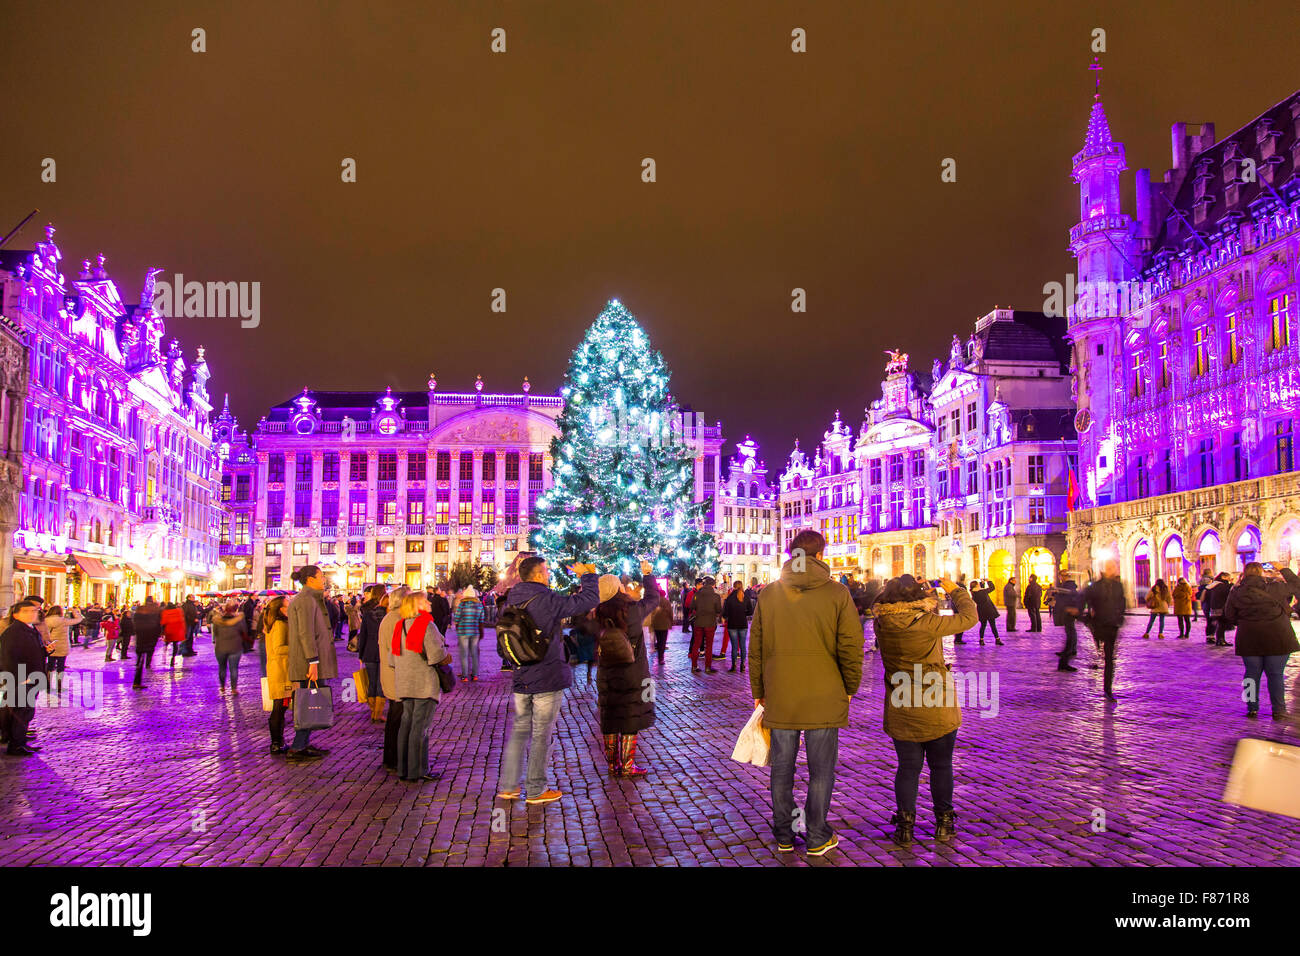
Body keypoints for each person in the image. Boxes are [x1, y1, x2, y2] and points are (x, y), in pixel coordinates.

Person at [750, 530, 863, 856]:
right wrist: (850, 687)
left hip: (781, 693)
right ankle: (816, 835)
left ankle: (784, 834)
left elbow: (755, 646)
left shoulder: (770, 594)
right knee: (821, 769)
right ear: (820, 554)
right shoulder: (837, 593)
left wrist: (758, 690)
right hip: (824, 693)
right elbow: (851, 647)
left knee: (782, 767)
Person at [873, 574, 977, 845]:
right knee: (941, 765)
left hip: (902, 699)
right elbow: (969, 617)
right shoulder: (927, 622)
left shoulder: (882, 624)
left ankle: (905, 826)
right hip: (935, 701)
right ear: (918, 597)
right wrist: (954, 589)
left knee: (908, 767)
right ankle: (944, 822)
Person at [496, 558, 599, 805]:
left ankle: (509, 786)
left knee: (520, 731)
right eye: (547, 570)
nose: (549, 574)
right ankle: (536, 788)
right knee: (542, 734)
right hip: (546, 673)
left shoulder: (512, 599)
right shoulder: (547, 599)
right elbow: (587, 601)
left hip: (522, 675)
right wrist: (587, 576)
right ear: (539, 574)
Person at [595, 568, 656, 777]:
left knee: (610, 715)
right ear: (616, 589)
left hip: (606, 672)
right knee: (631, 715)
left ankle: (613, 764)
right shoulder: (632, 610)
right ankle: (628, 764)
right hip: (633, 672)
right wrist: (648, 574)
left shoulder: (598, 613)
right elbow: (653, 598)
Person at [1224, 563, 1300, 720]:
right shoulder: (1275, 587)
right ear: (1262, 573)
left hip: (1249, 637)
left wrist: (1246, 622)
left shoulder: (1236, 591)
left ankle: (1251, 707)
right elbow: (1295, 585)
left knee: (1251, 675)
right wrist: (1282, 568)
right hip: (1278, 636)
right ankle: (1279, 710)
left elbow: (1229, 615)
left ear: (1244, 573)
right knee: (1276, 675)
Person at [392, 591, 448, 782]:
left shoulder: (400, 625)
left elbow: (394, 657)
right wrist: (445, 654)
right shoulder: (426, 625)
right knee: (420, 727)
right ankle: (418, 769)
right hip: (423, 682)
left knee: (406, 725)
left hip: (404, 682)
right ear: (417, 605)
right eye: (425, 600)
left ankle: (403, 768)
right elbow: (436, 656)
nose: (429, 603)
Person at [286, 566, 337, 761]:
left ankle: (303, 742)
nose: (323, 578)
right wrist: (313, 661)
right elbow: (306, 633)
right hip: (309, 662)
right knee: (308, 701)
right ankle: (298, 745)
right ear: (309, 579)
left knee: (310, 700)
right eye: (320, 576)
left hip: (311, 660)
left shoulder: (310, 598)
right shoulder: (306, 600)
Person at [0, 600, 48, 756]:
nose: (33, 613)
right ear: (16, 614)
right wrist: (21, 678)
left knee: (26, 712)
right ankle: (15, 745)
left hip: (31, 678)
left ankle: (20, 742)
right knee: (20, 713)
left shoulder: (30, 629)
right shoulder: (13, 632)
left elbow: (33, 653)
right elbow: (8, 658)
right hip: (22, 679)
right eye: (27, 611)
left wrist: (47, 652)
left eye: (34, 610)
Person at [1080, 560, 1126, 703]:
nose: (1114, 570)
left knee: (1109, 658)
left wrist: (1120, 616)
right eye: (1111, 567)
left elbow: (1122, 602)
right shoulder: (1096, 586)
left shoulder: (1118, 586)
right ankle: (1095, 656)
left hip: (1112, 625)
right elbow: (1084, 599)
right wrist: (1085, 616)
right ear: (1106, 569)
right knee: (1101, 649)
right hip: (1099, 624)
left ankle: (1108, 689)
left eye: (1115, 567)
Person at [376, 586, 409, 771]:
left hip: (393, 674)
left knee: (395, 718)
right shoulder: (396, 620)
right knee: (397, 718)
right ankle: (393, 758)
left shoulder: (393, 618)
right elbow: (398, 650)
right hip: (396, 675)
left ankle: (391, 757)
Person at [356, 584, 388, 720]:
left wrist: (361, 654)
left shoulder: (368, 614)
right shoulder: (388, 615)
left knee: (372, 682)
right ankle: (378, 713)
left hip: (369, 651)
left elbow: (363, 635)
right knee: (381, 682)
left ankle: (373, 711)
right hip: (383, 652)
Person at [211, 601, 248, 695]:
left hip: (221, 647)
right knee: (234, 668)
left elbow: (215, 633)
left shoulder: (217, 621)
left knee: (222, 668)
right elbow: (244, 632)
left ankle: (222, 687)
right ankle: (233, 689)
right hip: (235, 647)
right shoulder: (239, 621)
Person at [43, 605, 80, 696]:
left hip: (50, 645)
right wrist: (74, 611)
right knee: (60, 667)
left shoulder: (45, 620)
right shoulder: (63, 620)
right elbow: (79, 619)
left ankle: (48, 686)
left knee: (50, 666)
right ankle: (59, 686)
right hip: (62, 646)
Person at [689, 577, 723, 674]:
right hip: (710, 623)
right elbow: (719, 610)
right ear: (713, 585)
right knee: (709, 645)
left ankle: (694, 666)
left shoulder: (697, 594)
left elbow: (692, 607)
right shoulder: (715, 596)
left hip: (698, 622)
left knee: (696, 644)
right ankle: (708, 667)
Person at [1049, 574, 1082, 671]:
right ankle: (1066, 657)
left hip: (1069, 612)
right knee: (1070, 634)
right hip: (1067, 612)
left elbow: (1070, 596)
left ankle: (1066, 657)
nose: (1060, 578)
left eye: (1061, 576)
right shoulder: (1066, 586)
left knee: (1070, 634)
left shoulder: (1069, 586)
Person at [452, 586, 484, 682]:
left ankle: (464, 676)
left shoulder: (462, 605)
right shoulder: (479, 605)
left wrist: (458, 623)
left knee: (464, 654)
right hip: (475, 631)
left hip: (463, 631)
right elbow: (481, 620)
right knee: (474, 653)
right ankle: (475, 675)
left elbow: (456, 618)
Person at [132, 598, 163, 690]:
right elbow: (157, 624)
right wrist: (158, 633)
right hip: (149, 636)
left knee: (140, 657)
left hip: (141, 636)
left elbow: (135, 623)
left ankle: (137, 680)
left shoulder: (140, 610)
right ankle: (137, 680)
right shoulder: (154, 611)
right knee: (147, 653)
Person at [723, 580, 750, 672]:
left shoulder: (730, 598)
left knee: (734, 645)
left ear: (734, 586)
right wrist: (744, 613)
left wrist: (729, 615)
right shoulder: (745, 597)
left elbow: (725, 612)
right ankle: (742, 665)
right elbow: (750, 611)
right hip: (743, 623)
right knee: (743, 645)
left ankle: (734, 666)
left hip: (732, 624)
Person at [970, 580, 1002, 645]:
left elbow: (981, 591)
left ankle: (981, 639)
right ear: (976, 585)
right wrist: (989, 581)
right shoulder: (982, 591)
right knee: (993, 625)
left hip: (981, 610)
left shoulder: (973, 592)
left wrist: (982, 584)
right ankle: (997, 639)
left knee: (983, 625)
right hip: (988, 610)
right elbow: (992, 588)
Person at [1205, 572, 1234, 646]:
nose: (1229, 578)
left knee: (1221, 624)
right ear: (1223, 577)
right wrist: (1231, 584)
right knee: (1222, 624)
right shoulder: (1221, 585)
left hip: (1215, 607)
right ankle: (1220, 640)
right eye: (1228, 577)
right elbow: (1227, 592)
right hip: (1220, 607)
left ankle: (1220, 639)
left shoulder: (1214, 585)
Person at [650, 588, 673, 667]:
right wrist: (671, 622)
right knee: (663, 642)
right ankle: (661, 658)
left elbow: (652, 613)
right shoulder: (667, 602)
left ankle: (660, 656)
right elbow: (670, 613)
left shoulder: (655, 602)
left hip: (656, 624)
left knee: (659, 640)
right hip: (664, 625)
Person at [161, 602, 186, 667]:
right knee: (175, 645)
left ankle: (164, 657)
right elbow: (182, 620)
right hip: (176, 630)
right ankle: (173, 658)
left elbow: (163, 622)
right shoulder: (178, 611)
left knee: (166, 644)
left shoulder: (165, 612)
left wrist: (162, 632)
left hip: (169, 630)